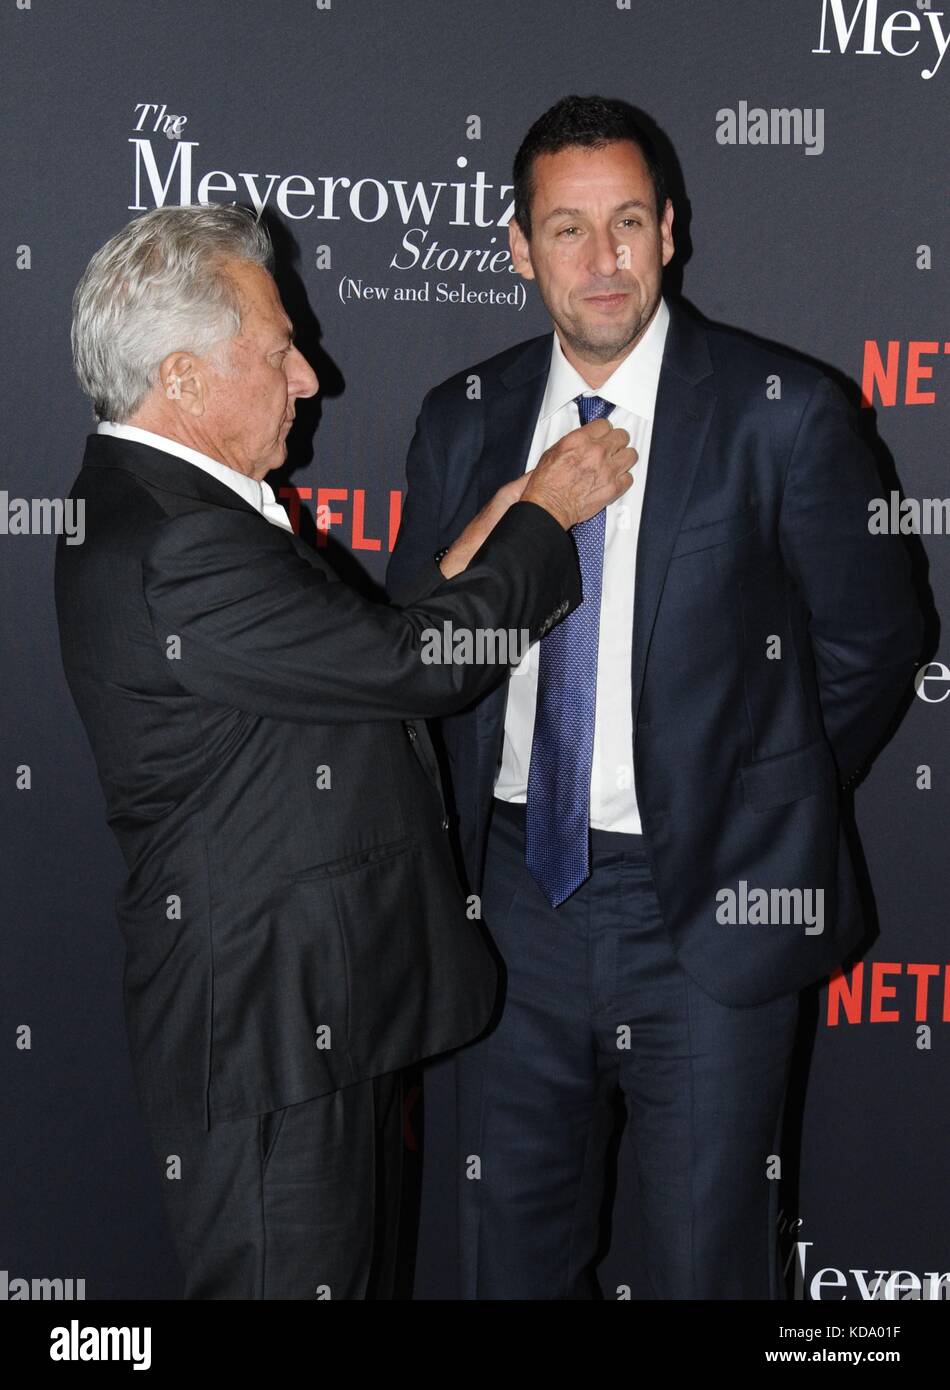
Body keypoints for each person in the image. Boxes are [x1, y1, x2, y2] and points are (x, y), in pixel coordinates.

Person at [386, 94, 924, 1299]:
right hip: (513, 901)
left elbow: (871, 646)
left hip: (711, 915)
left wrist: (755, 798)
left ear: (670, 230)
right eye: (566, 230)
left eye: (627, 221)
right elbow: (416, 645)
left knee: (704, 1265)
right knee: (505, 1263)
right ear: (518, 248)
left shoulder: (781, 414)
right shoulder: (460, 420)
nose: (603, 259)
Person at [54, 202, 635, 1299]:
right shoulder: (181, 540)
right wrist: (546, 519)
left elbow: (353, 661)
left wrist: (488, 534)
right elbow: (418, 671)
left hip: (304, 1018)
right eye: (277, 351)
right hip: (271, 1034)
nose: (310, 376)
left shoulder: (164, 505)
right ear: (181, 377)